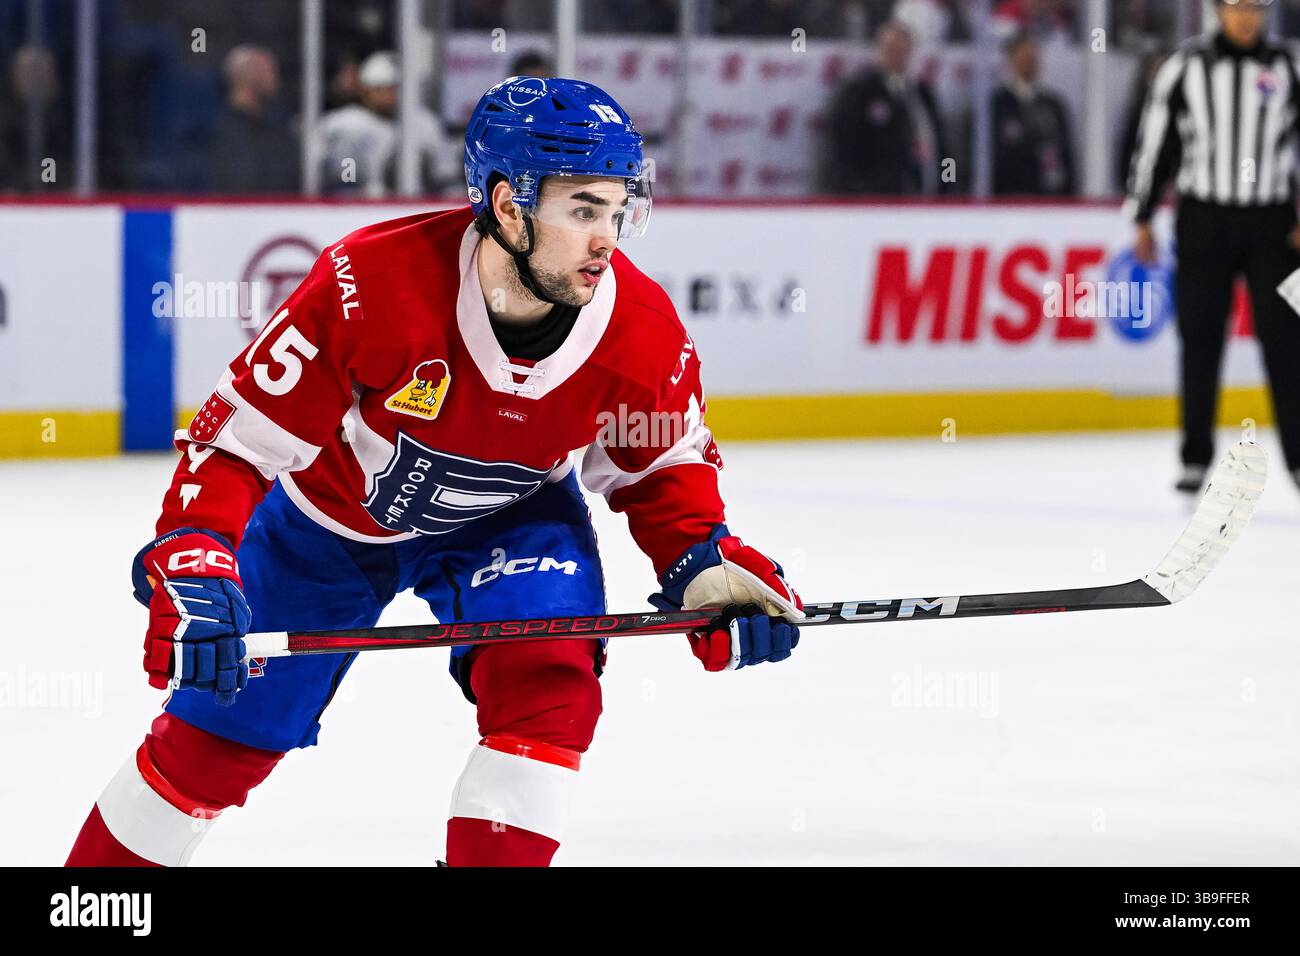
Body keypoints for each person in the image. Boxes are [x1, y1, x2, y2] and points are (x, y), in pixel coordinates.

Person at [64, 76, 804, 868]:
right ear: (508, 205)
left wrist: (701, 562)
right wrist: (197, 552)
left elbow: (658, 469)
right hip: (328, 527)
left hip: (513, 518)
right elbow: (240, 442)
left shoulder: (643, 332)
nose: (607, 239)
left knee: (548, 691)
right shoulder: (369, 285)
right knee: (216, 740)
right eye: (583, 211)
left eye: (618, 210)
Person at [1125, 0, 1300, 494]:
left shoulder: (1288, 66)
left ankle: (1298, 459)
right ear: (1218, 11)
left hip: (1272, 223)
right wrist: (1141, 215)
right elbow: (1154, 141)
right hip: (1204, 218)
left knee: (1286, 343)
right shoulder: (1185, 67)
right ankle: (1195, 457)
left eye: (1255, 8)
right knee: (1200, 339)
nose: (1246, 17)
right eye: (1236, 7)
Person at [819, 20, 945, 195]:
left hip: (925, 198)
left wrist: (948, 185)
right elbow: (844, 147)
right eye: (890, 50)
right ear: (879, 50)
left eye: (902, 50)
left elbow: (941, 145)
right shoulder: (859, 92)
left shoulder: (922, 94)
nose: (896, 56)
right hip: (877, 200)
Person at [316, 50, 459, 196]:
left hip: (415, 202)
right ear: (366, 89)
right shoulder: (342, 124)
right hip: (360, 206)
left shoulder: (425, 123)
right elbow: (341, 180)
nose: (390, 95)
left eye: (395, 88)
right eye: (383, 88)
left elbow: (446, 175)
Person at [991, 32, 1076, 196]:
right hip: (1011, 199)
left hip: (1051, 196)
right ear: (1011, 60)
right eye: (1023, 57)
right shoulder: (997, 106)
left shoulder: (1053, 104)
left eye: (1033, 58)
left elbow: (1066, 155)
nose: (1029, 63)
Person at [207, 45, 300, 194]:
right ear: (250, 75)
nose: (276, 80)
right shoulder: (215, 134)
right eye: (270, 71)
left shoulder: (278, 132)